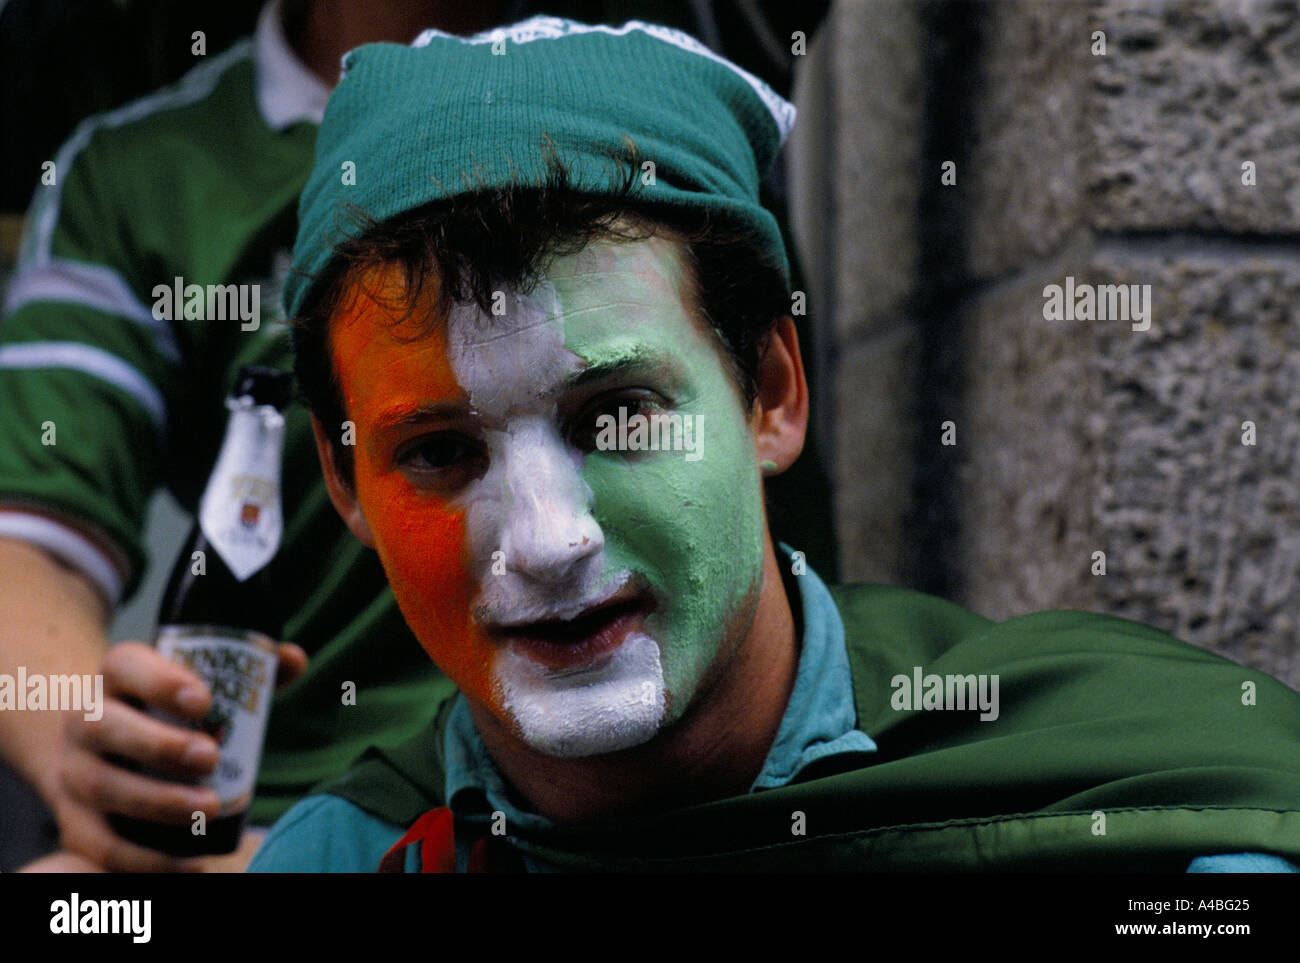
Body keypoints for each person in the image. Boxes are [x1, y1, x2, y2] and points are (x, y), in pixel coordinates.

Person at [248, 17, 1300, 872]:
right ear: (344, 480)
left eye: (615, 415)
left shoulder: (1130, 810)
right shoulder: (340, 859)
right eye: (438, 452)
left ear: (772, 395)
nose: (547, 540)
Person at [0, 0, 515, 872]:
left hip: (588, 794)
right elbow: (29, 545)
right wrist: (116, 768)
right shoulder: (143, 173)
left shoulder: (661, 63)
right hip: (270, 820)